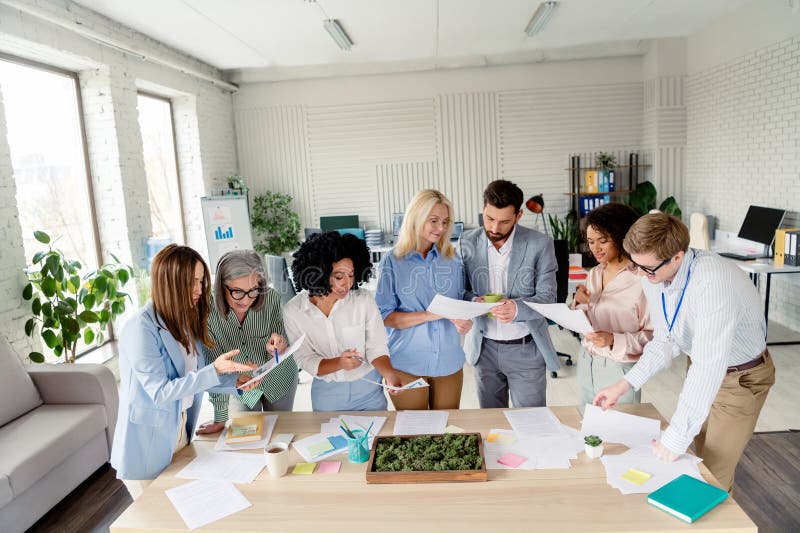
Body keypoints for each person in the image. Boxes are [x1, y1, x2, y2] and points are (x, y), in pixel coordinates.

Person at [594, 213, 775, 492]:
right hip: (705, 367)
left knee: (712, 473)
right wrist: (624, 384)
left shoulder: (712, 283)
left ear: (677, 257)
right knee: (699, 456)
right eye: (635, 265)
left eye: (647, 268)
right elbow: (666, 339)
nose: (640, 275)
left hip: (741, 378)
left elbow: (708, 365)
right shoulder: (654, 273)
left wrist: (675, 437)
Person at [111, 245, 259, 495]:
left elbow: (192, 379)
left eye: (201, 282)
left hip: (179, 432)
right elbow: (160, 392)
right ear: (168, 282)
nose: (198, 290)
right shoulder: (141, 328)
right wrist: (215, 369)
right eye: (191, 282)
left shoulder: (184, 320)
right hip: (148, 441)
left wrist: (234, 381)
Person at [460, 179, 559, 408]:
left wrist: (518, 308)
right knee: (492, 424)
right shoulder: (467, 241)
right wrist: (474, 301)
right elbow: (460, 291)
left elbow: (549, 297)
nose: (495, 228)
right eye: (489, 218)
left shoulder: (540, 244)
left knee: (531, 422)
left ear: (519, 215)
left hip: (526, 349)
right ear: (483, 209)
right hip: (483, 348)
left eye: (504, 221)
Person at [283, 232, 404, 411]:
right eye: (339, 277)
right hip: (327, 395)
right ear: (319, 274)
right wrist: (339, 363)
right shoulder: (294, 311)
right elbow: (304, 358)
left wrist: (389, 374)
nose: (347, 283)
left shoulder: (363, 300)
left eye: (351, 275)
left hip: (369, 391)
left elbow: (376, 347)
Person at [376, 189, 472, 410]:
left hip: (449, 360)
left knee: (446, 431)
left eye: (446, 222)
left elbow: (460, 299)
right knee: (415, 433)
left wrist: (468, 312)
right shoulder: (392, 261)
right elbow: (385, 317)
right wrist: (431, 315)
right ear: (416, 218)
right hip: (407, 362)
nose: (441, 228)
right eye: (434, 221)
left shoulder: (453, 259)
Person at [195, 250, 299, 436]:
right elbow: (215, 369)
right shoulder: (206, 311)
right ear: (221, 287)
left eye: (253, 290)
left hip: (280, 380)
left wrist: (279, 344)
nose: (246, 300)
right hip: (240, 386)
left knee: (280, 437)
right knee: (245, 442)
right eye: (237, 292)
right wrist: (220, 417)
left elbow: (283, 339)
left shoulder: (271, 298)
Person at [572, 203, 653, 406]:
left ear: (622, 237)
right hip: (587, 361)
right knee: (587, 430)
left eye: (603, 241)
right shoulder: (594, 274)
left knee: (620, 434)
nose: (595, 248)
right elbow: (586, 323)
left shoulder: (643, 280)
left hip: (620, 370)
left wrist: (613, 340)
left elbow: (654, 338)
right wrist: (578, 304)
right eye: (590, 242)